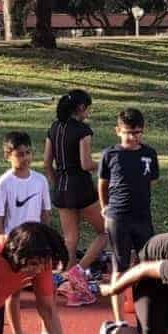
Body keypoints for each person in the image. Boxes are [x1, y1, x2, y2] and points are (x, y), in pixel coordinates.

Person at [0, 130, 54, 334]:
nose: (25, 158)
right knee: (14, 294)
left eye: (28, 153)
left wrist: (46, 241)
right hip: (15, 251)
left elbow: (46, 213)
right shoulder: (4, 183)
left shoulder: (40, 181)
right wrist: (2, 246)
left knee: (45, 295)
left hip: (39, 248)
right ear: (8, 155)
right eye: (20, 154)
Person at [44, 89, 107, 306]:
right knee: (106, 232)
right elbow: (86, 164)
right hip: (80, 187)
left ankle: (71, 289)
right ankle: (78, 272)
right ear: (81, 108)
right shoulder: (83, 131)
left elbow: (46, 163)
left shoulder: (54, 127)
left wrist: (56, 184)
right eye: (88, 107)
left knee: (71, 240)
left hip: (61, 186)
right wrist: (106, 165)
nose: (89, 111)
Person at [98, 108, 160, 321]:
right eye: (128, 133)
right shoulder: (110, 155)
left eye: (138, 132)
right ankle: (118, 320)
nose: (133, 137)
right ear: (118, 131)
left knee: (147, 264)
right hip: (118, 217)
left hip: (142, 216)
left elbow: (152, 181)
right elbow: (103, 183)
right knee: (120, 264)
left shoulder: (150, 154)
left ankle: (148, 314)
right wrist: (105, 206)